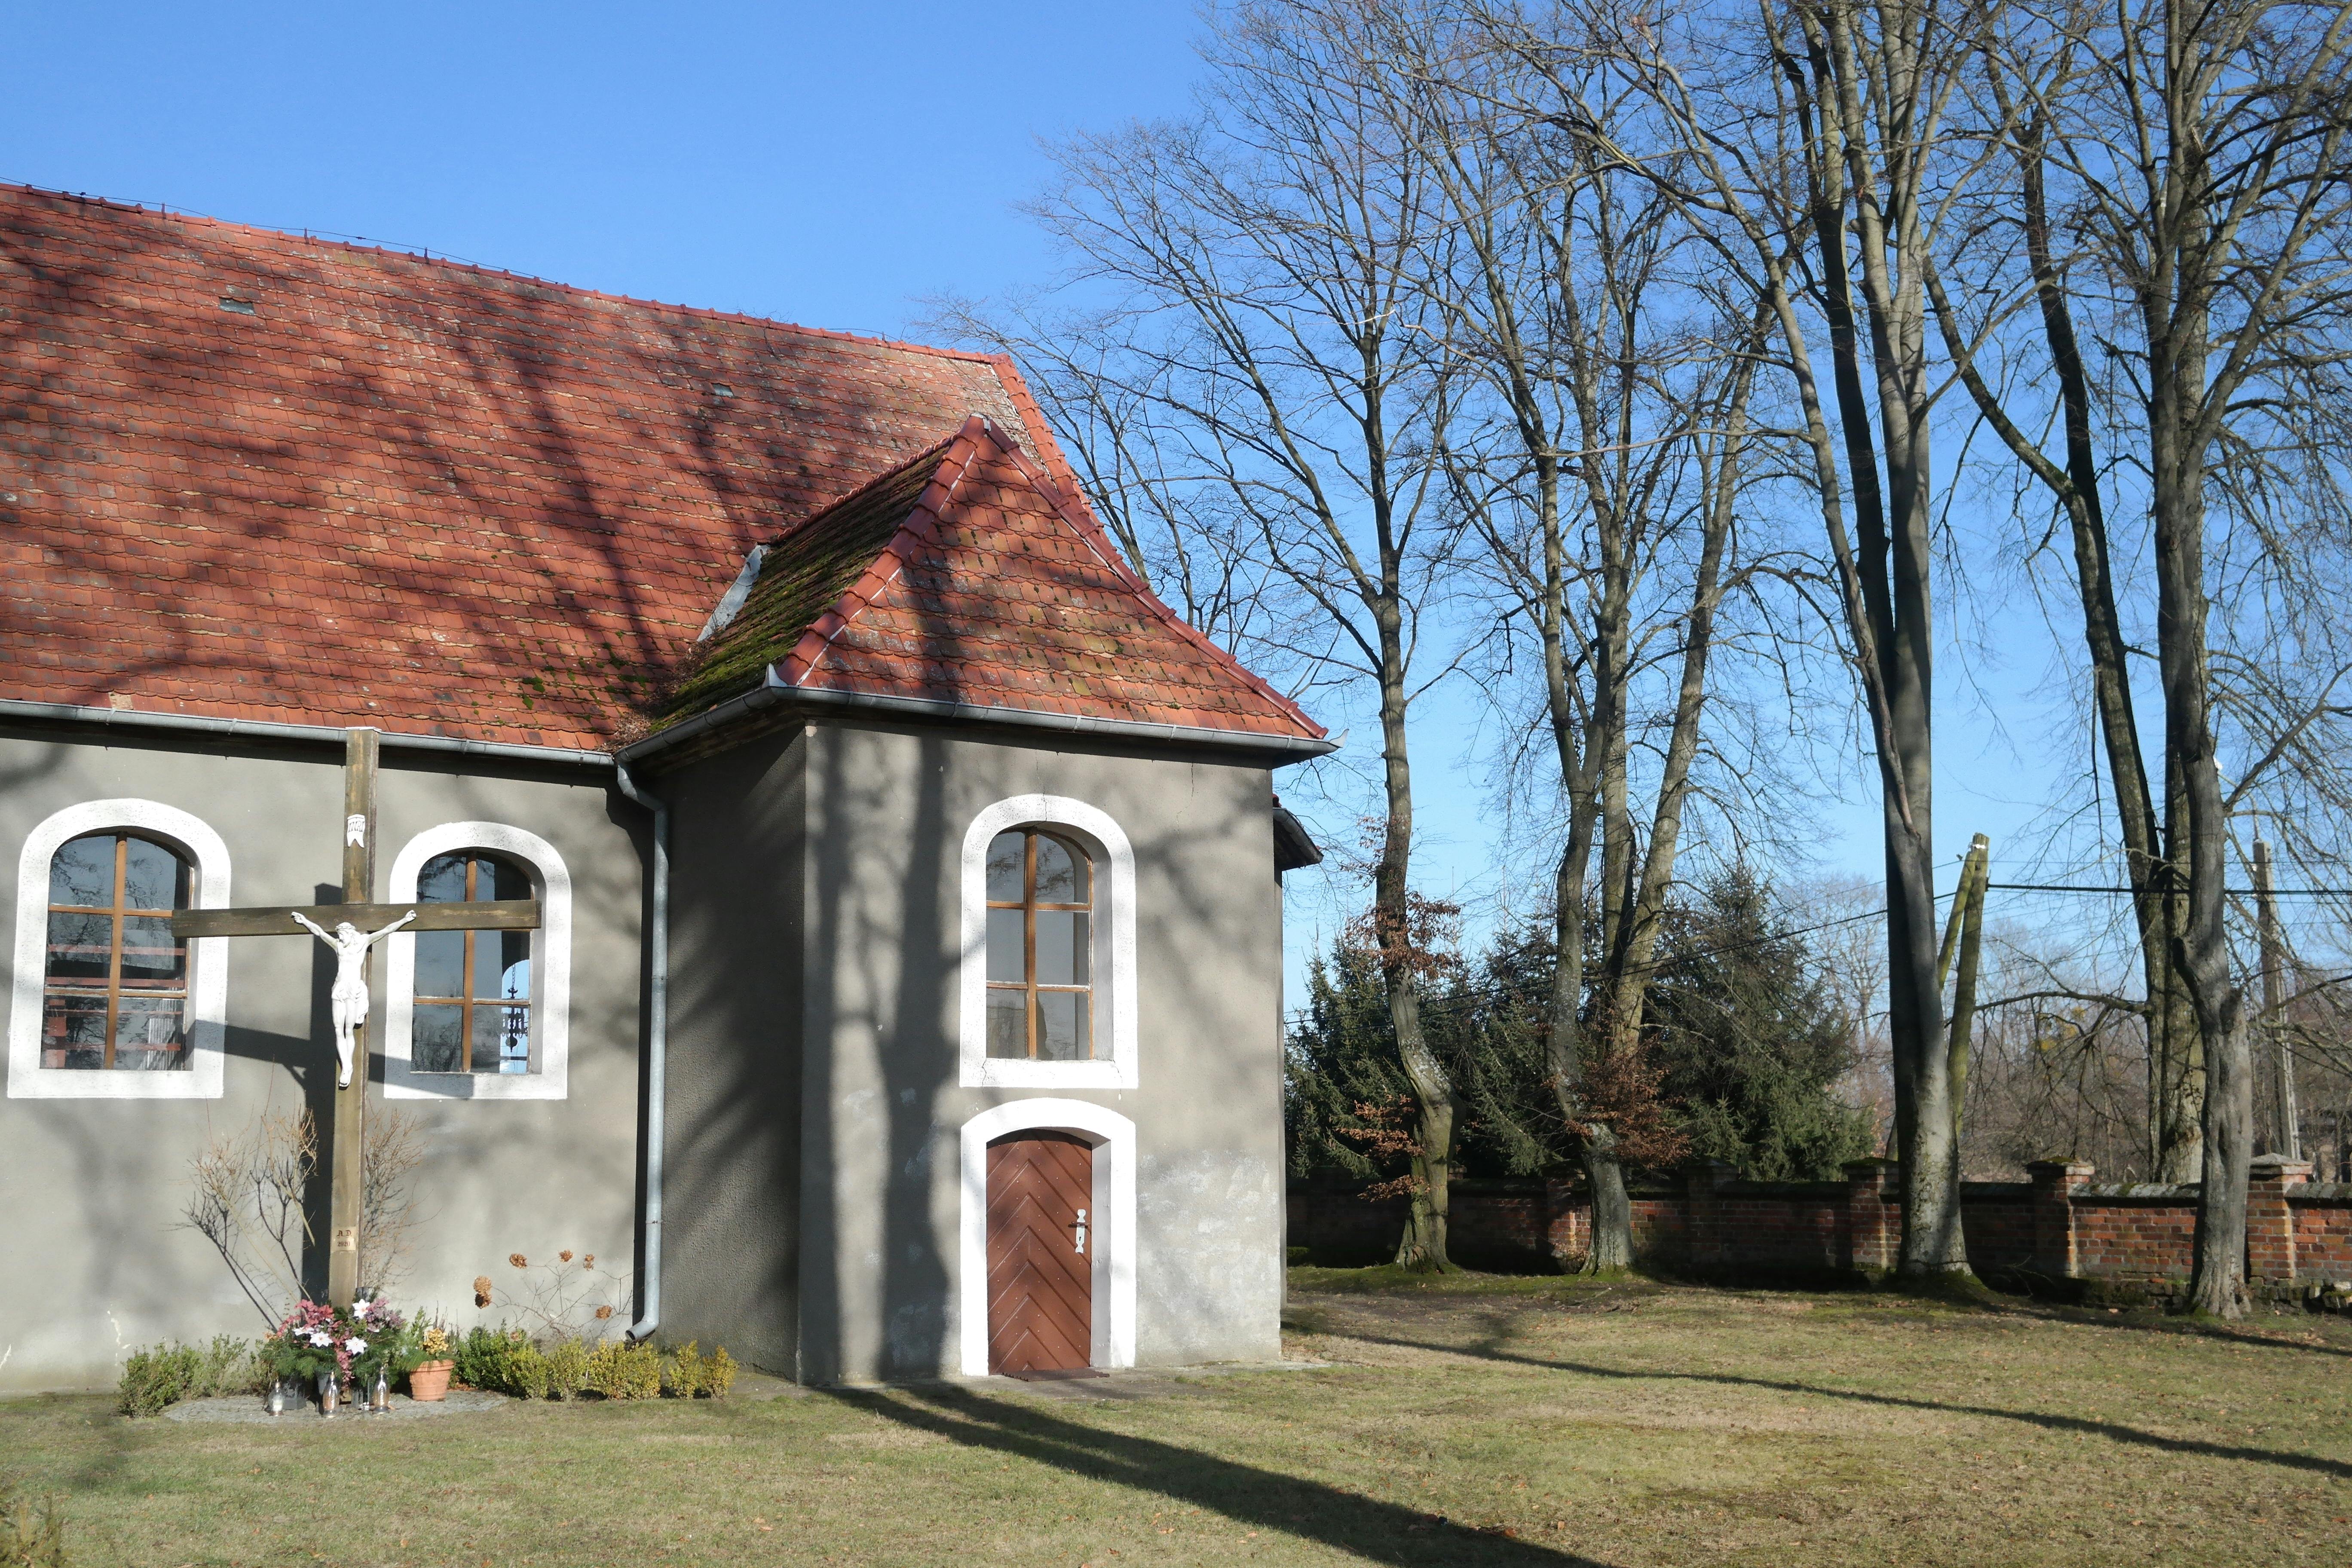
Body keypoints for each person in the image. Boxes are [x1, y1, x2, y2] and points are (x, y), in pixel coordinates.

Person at [291, 909, 416, 1088]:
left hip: (353, 989)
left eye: (343, 935)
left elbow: (387, 930)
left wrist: (405, 919)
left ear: (350, 933)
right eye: (339, 936)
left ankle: (348, 1068)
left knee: (349, 1029)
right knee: (337, 1029)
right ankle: (347, 1066)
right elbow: (319, 932)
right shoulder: (338, 945)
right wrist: (304, 921)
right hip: (339, 988)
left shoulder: (364, 941)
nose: (341, 939)